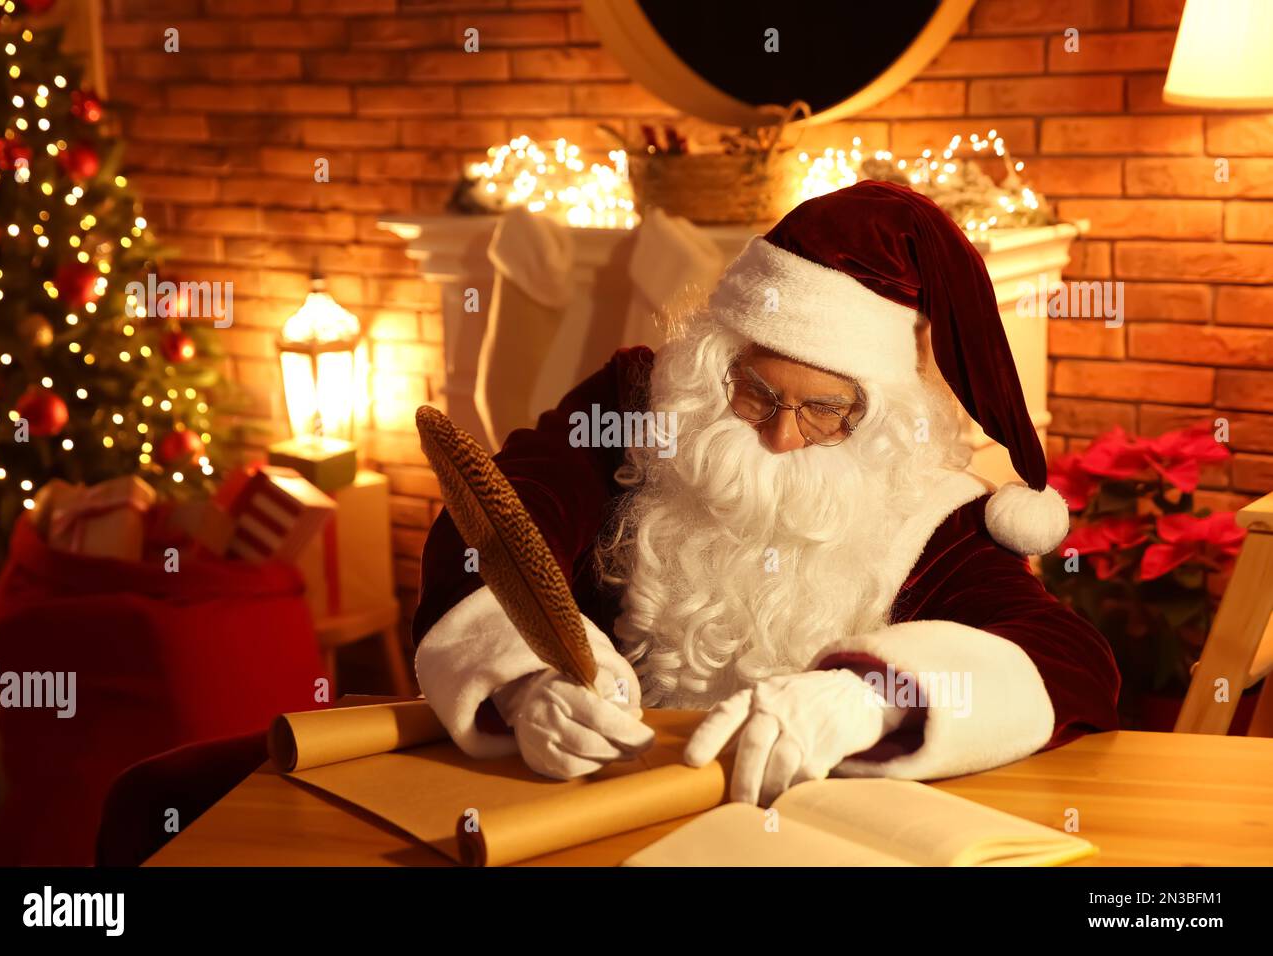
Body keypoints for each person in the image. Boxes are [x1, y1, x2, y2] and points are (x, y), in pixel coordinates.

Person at [411, 180, 1120, 807]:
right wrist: (528, 678)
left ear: (878, 415)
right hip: (605, 798)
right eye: (756, 393)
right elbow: (496, 521)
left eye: (825, 411)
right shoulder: (638, 406)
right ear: (719, 365)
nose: (782, 436)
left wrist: (872, 694)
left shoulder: (935, 511)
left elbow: (1068, 660)